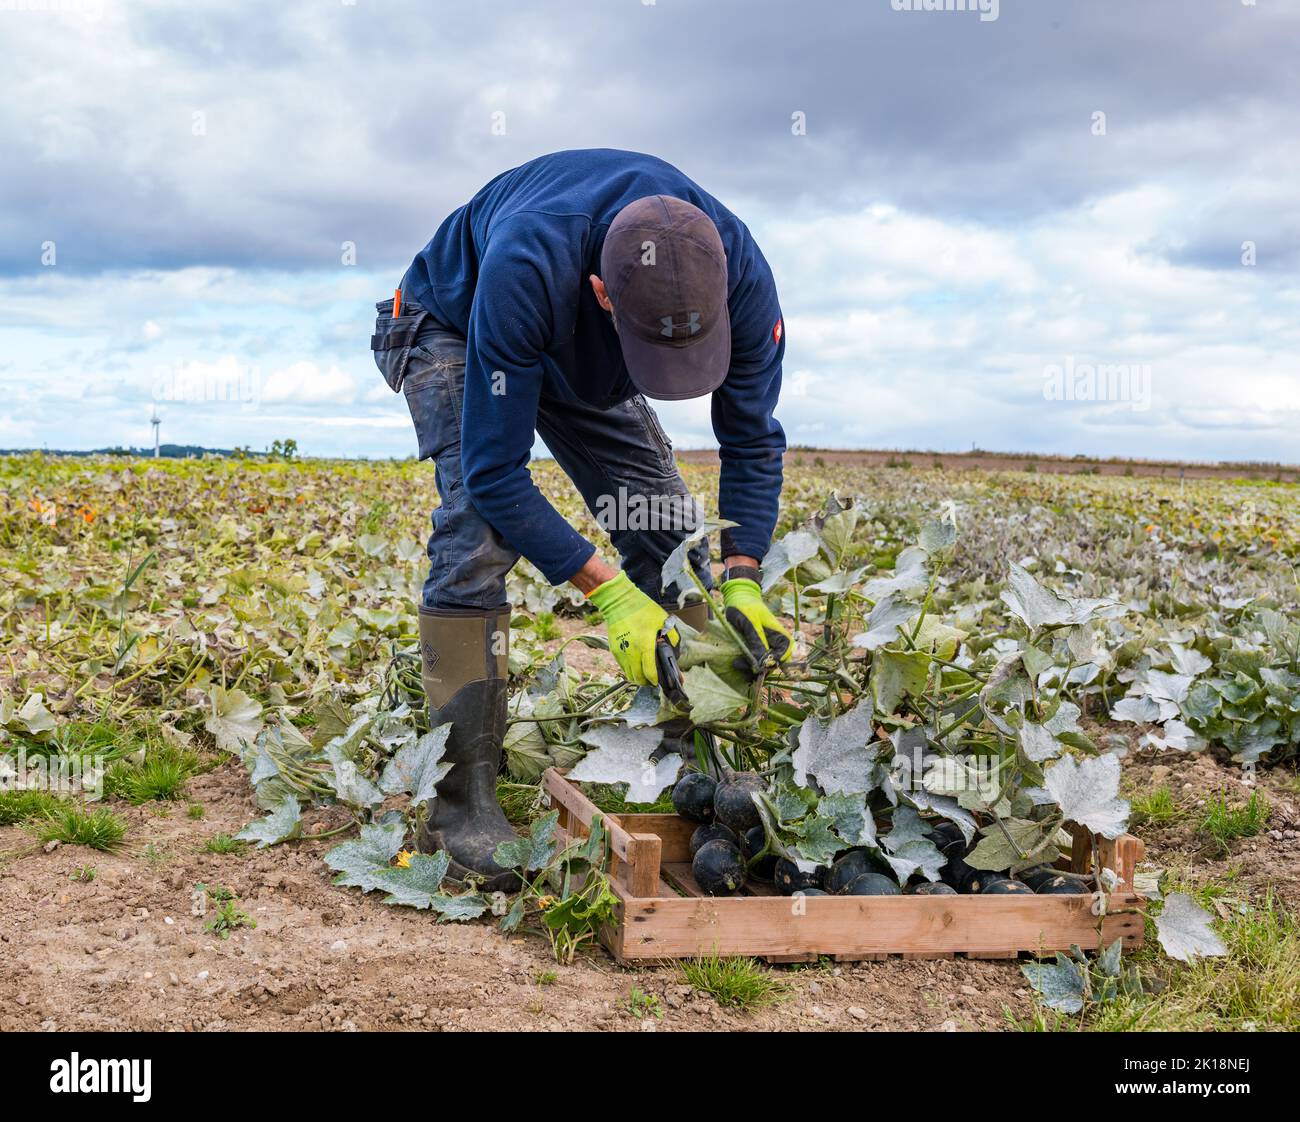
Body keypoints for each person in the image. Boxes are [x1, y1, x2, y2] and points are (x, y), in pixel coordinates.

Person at [371, 149, 791, 888]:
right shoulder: (526, 263)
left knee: (669, 534)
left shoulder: (742, 273)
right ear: (602, 292)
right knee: (477, 529)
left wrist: (746, 579)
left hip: (582, 355)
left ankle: (686, 764)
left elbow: (752, 438)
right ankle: (458, 808)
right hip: (455, 325)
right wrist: (609, 592)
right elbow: (496, 472)